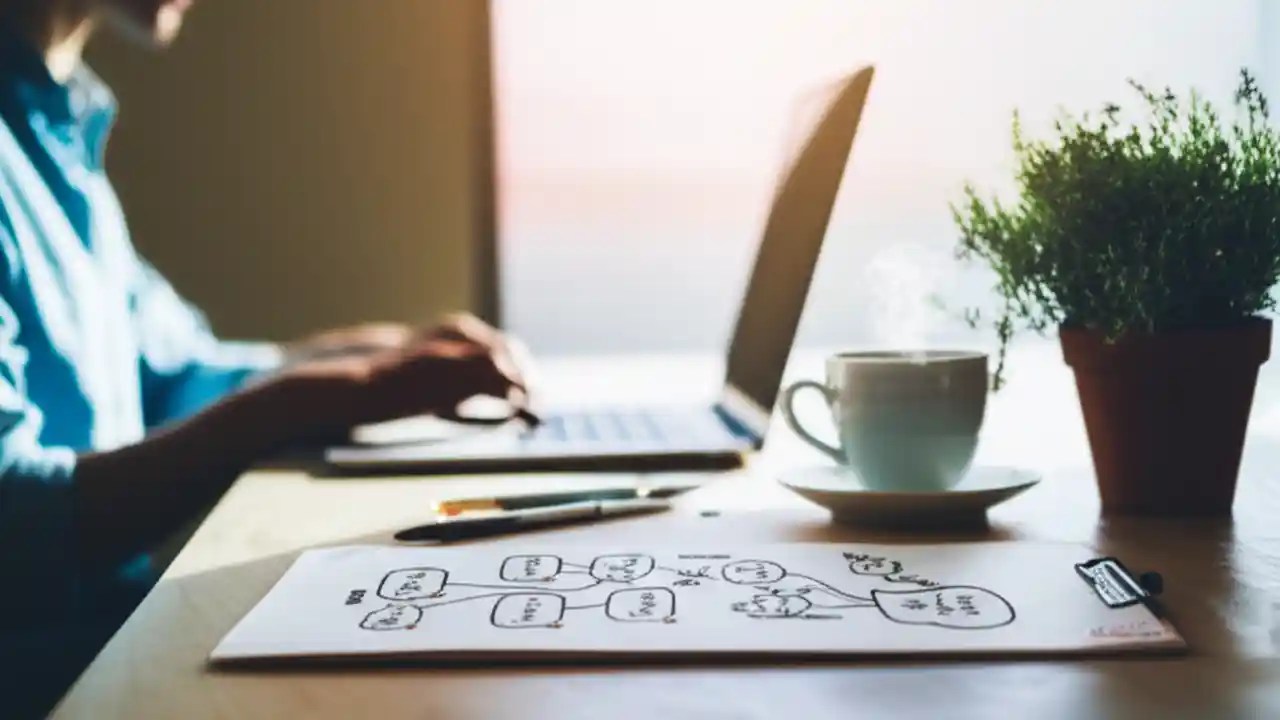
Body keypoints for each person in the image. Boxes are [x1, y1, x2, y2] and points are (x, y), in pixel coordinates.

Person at [0, 0, 530, 715]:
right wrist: (315, 398)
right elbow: (18, 522)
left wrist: (380, 356)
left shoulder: (51, 128)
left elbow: (175, 375)